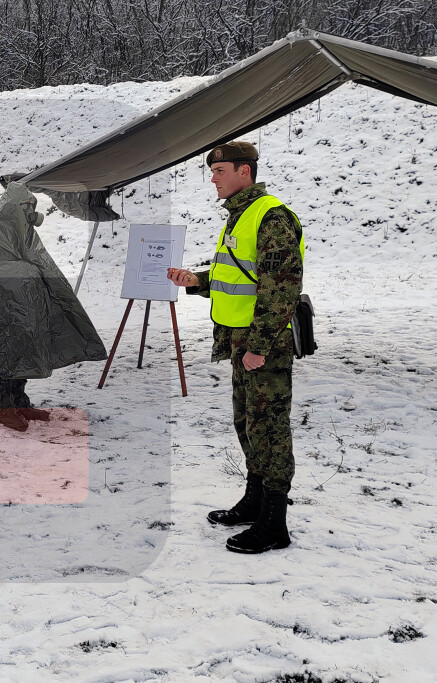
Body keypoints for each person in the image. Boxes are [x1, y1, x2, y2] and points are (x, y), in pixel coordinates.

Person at [167, 141, 304, 554]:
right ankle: (254, 502)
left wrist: (259, 345)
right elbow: (239, 276)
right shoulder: (240, 215)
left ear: (244, 171)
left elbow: (280, 288)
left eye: (219, 170)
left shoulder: (271, 216)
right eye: (212, 171)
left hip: (263, 343)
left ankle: (274, 524)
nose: (213, 178)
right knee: (248, 424)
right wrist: (198, 281)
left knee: (270, 428)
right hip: (242, 341)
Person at [0, 181, 107, 431]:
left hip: (26, 314)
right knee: (6, 359)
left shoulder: (27, 241)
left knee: (24, 357)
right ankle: (5, 408)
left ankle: (21, 403)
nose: (29, 213)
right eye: (23, 207)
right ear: (11, 211)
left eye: (30, 207)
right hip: (0, 319)